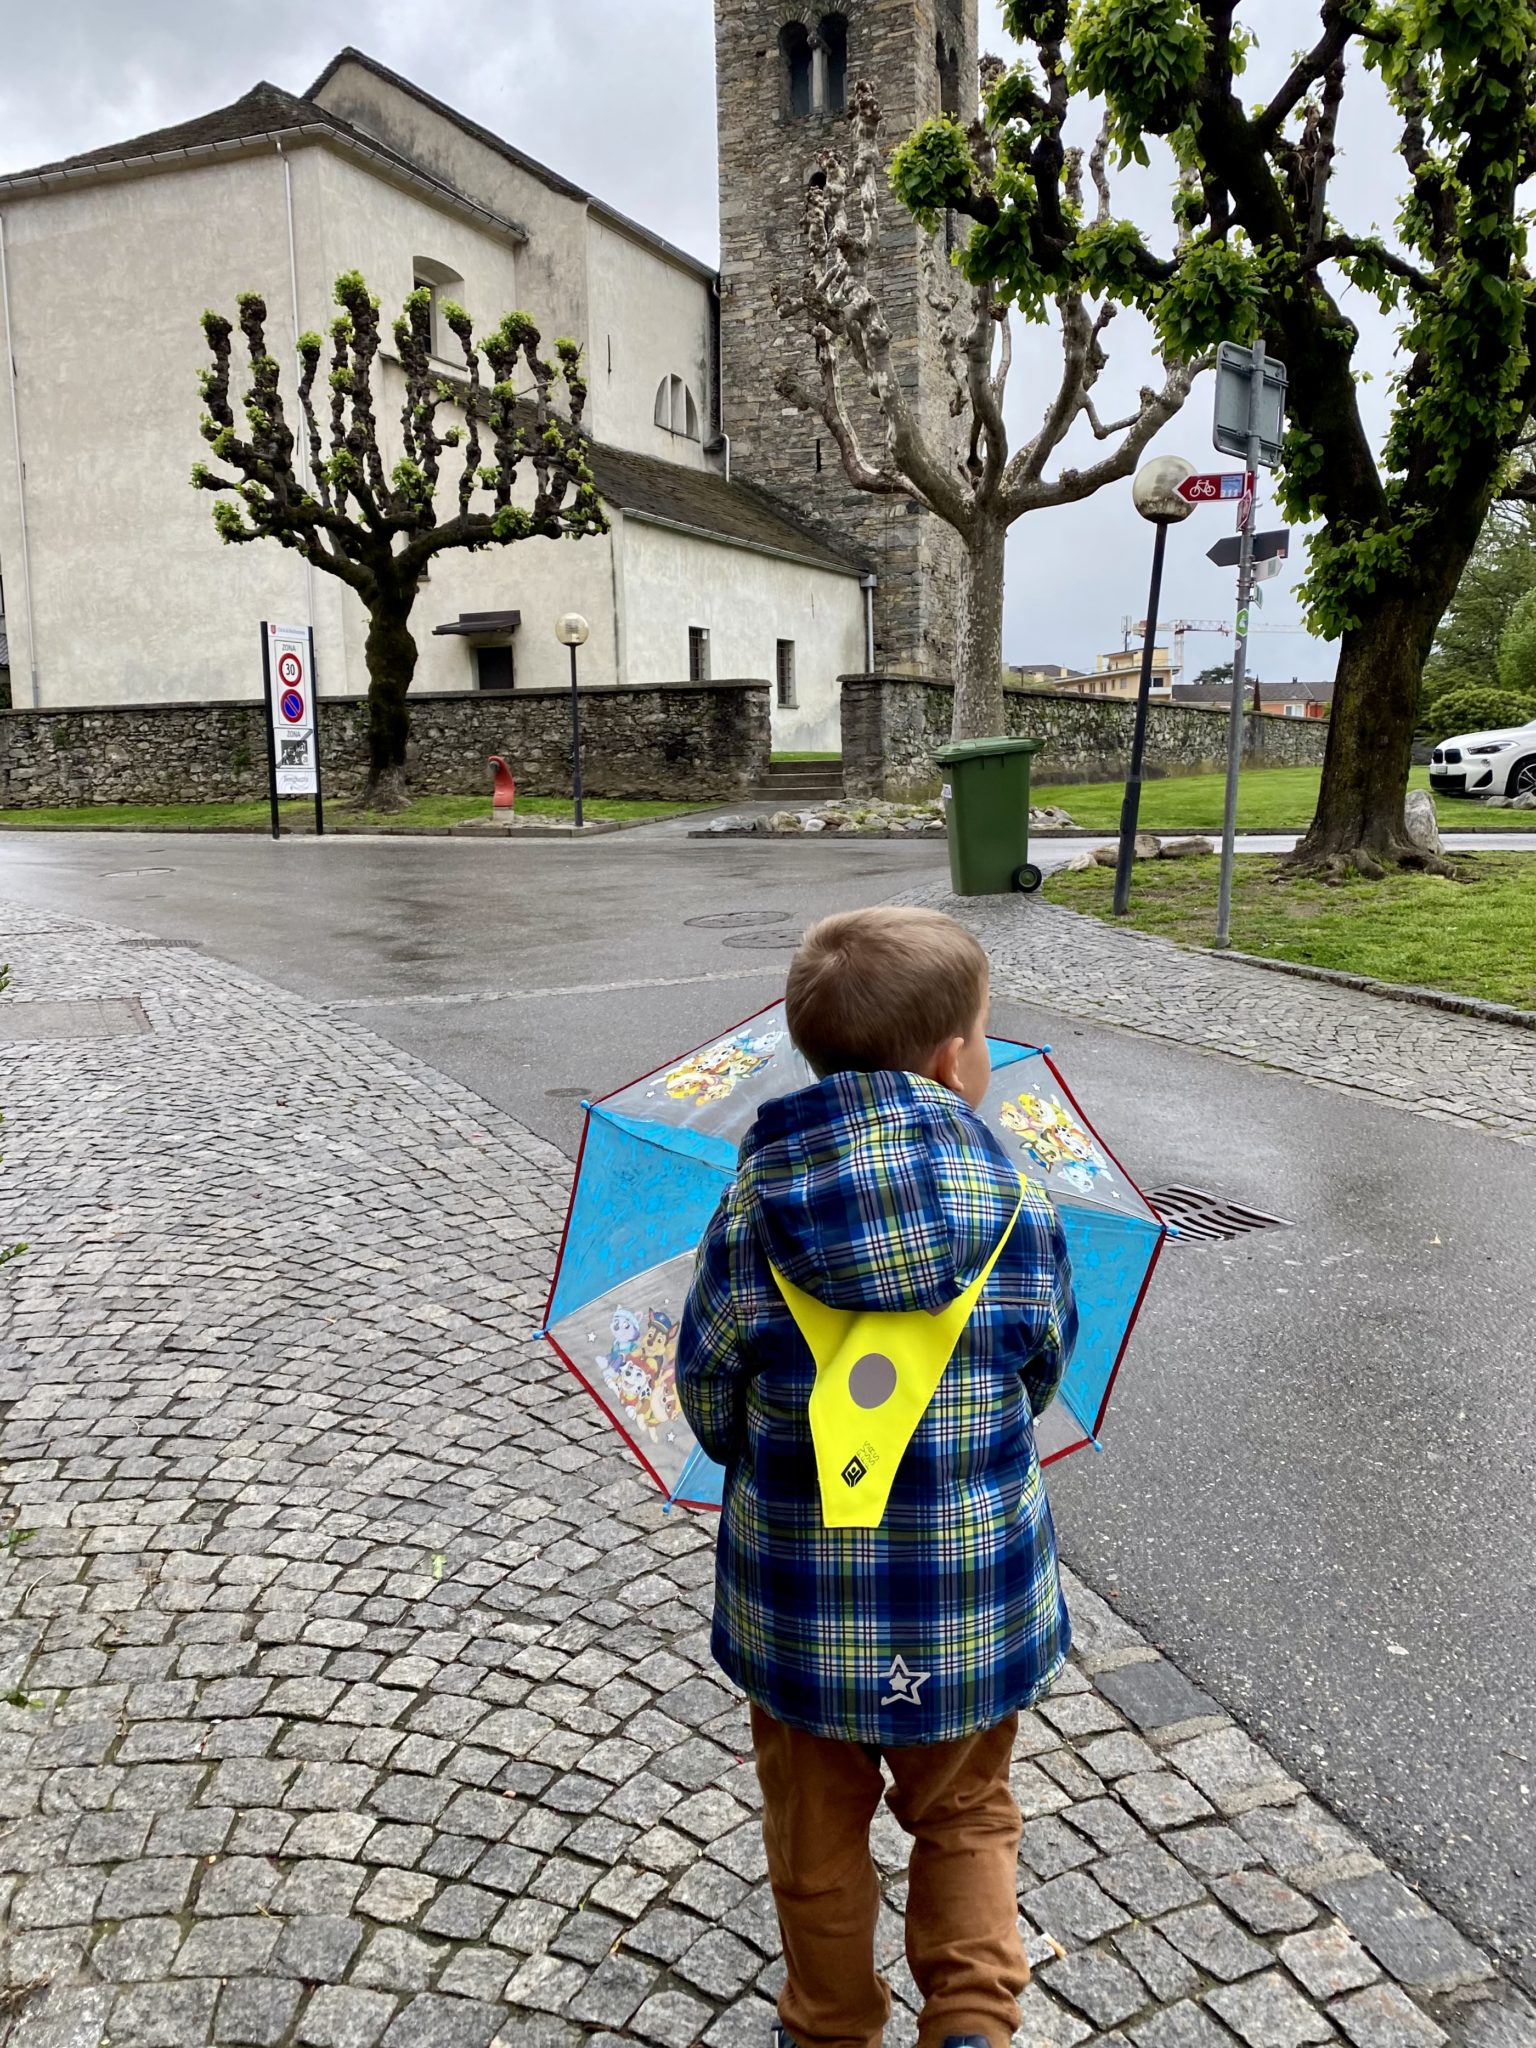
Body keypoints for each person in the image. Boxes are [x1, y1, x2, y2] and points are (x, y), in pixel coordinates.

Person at [677, 906, 1077, 2048]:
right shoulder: (1022, 1207)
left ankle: (830, 2025)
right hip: (971, 1601)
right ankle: (972, 2022)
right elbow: (1041, 1369)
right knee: (966, 1815)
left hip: (800, 1608)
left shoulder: (751, 1210)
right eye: (984, 1034)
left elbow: (708, 1392)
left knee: (813, 1836)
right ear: (953, 1059)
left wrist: (761, 1441)